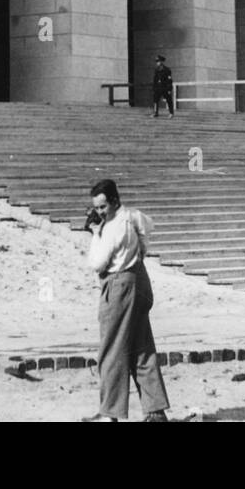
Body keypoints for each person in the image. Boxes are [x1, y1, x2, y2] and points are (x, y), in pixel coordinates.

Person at [81, 178, 170, 423]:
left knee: (112, 350)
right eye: (96, 208)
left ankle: (109, 413)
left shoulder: (109, 228)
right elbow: (148, 226)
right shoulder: (132, 216)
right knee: (142, 347)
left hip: (119, 285)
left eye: (102, 207)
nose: (99, 212)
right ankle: (155, 411)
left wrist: (95, 233)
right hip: (139, 279)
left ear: (114, 201)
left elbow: (96, 263)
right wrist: (139, 249)